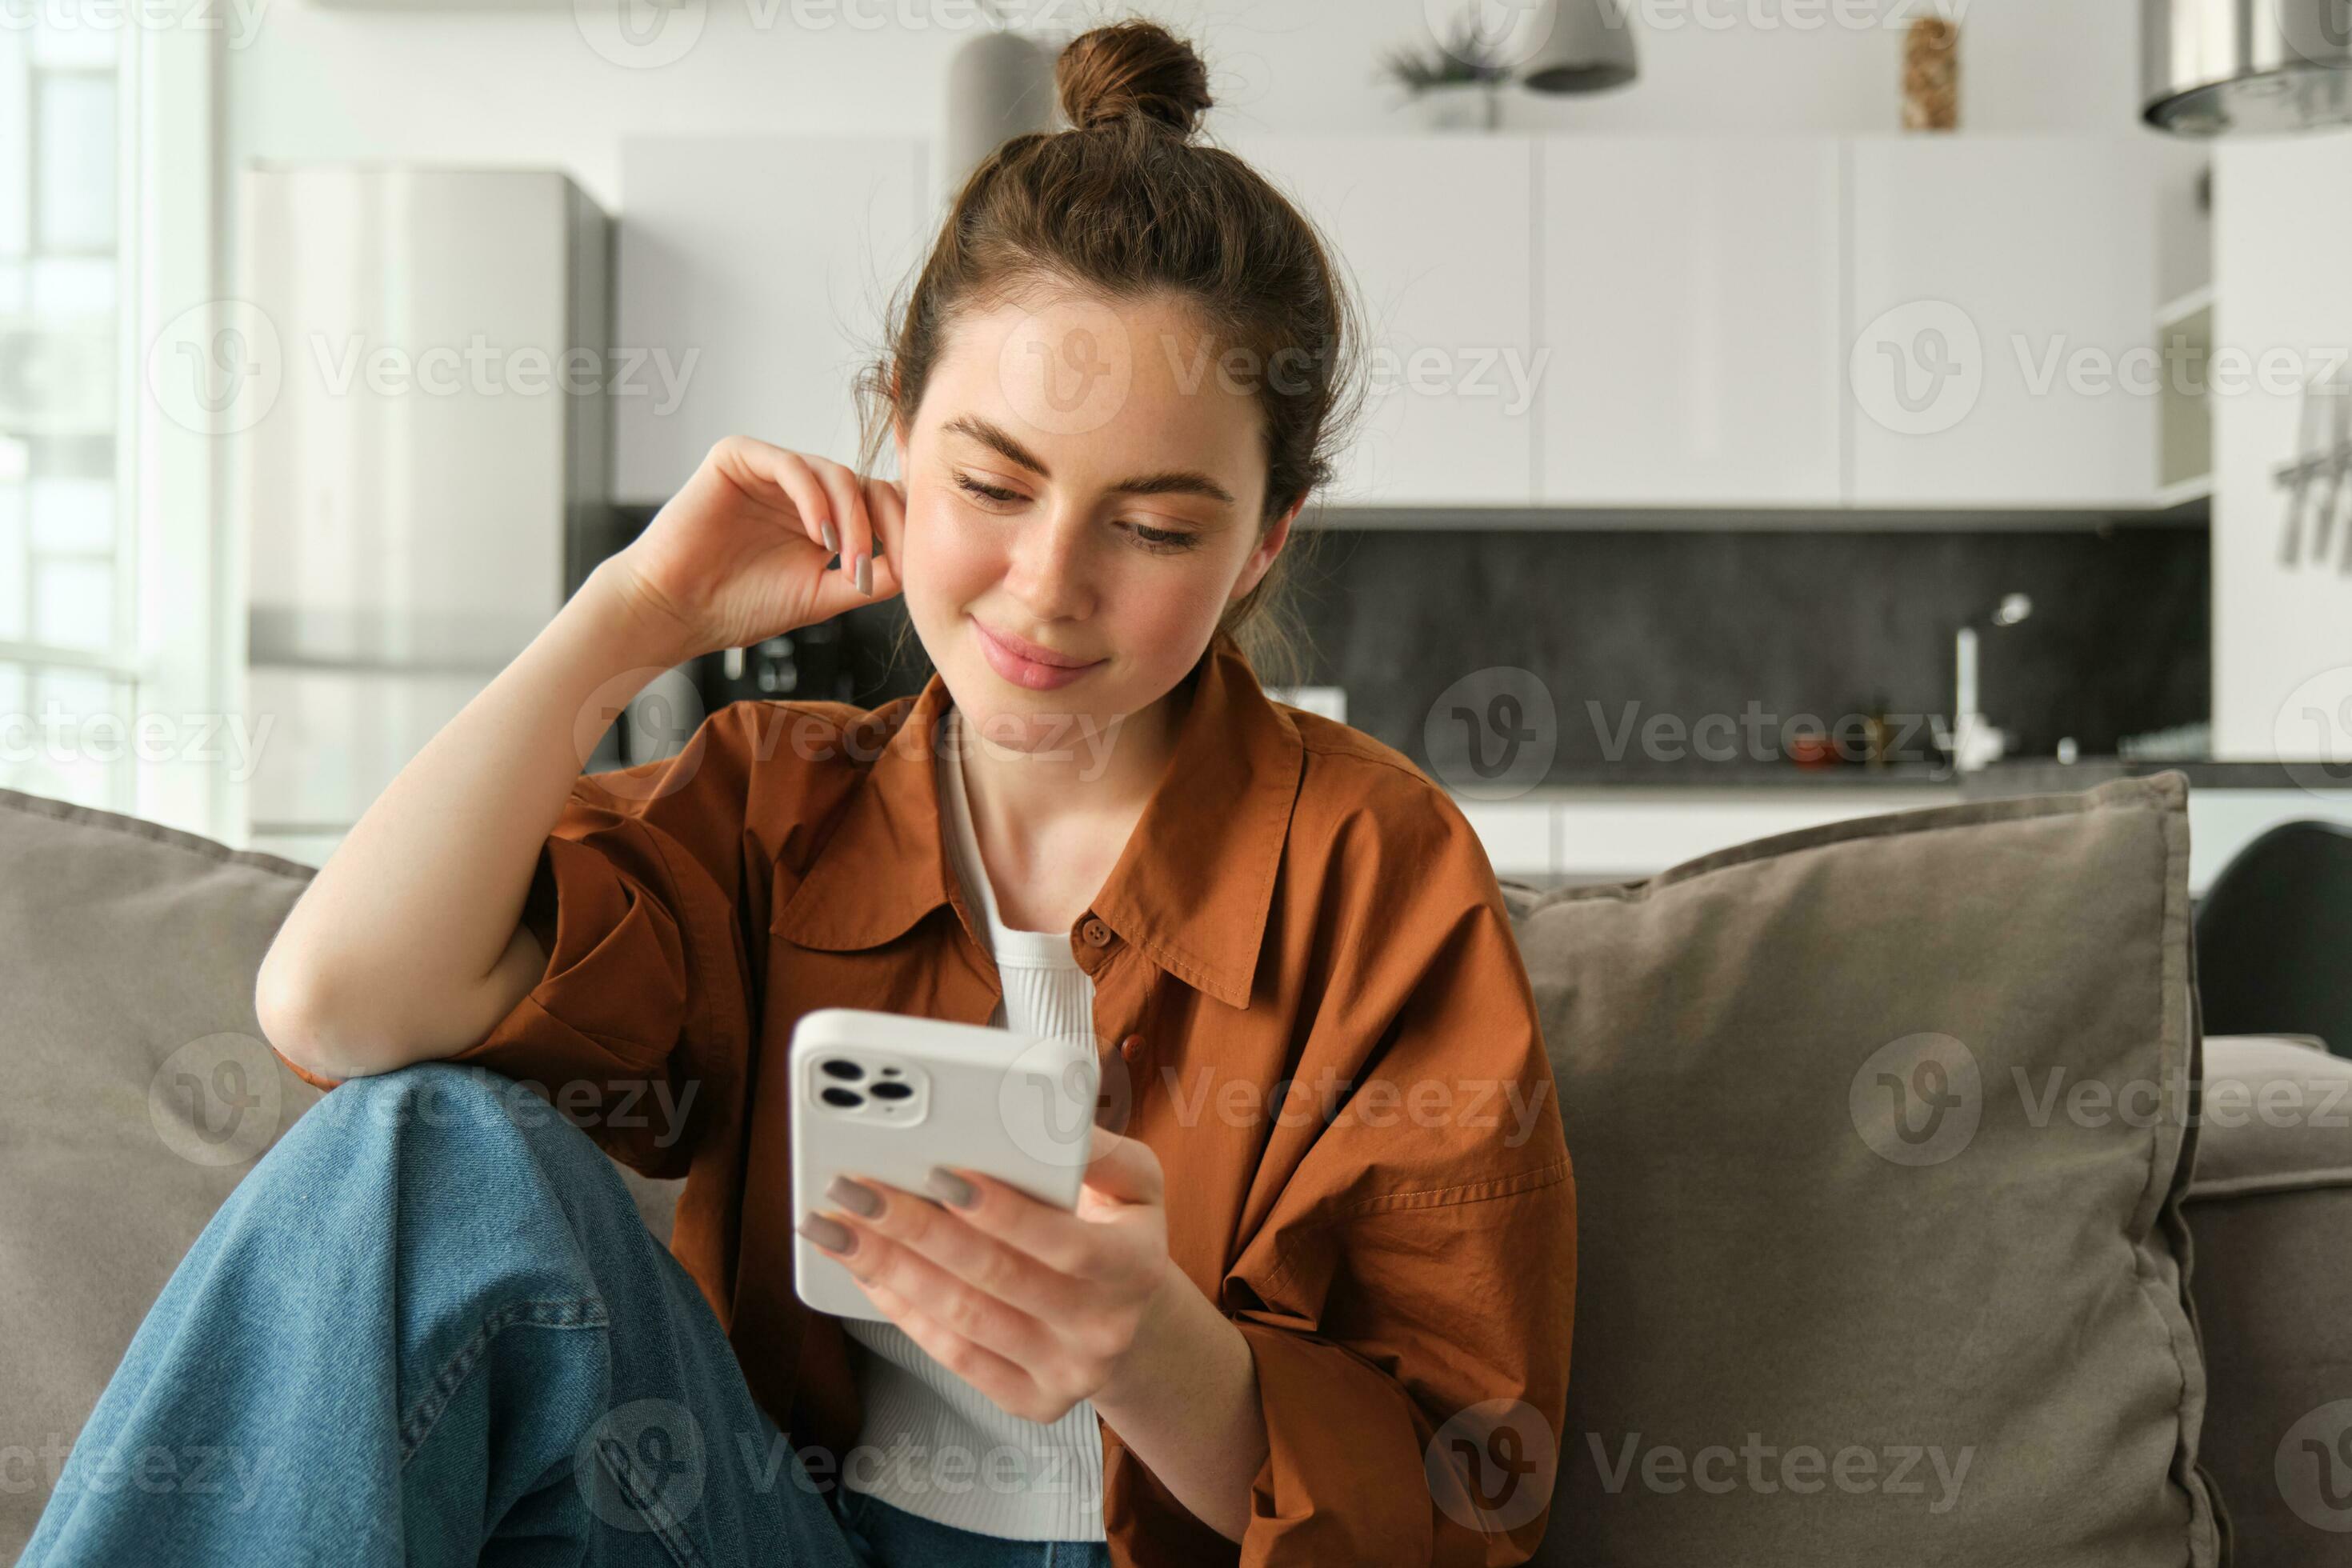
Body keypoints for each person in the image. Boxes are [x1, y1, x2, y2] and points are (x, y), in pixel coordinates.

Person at [23, 18, 1574, 1568]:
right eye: (991, 483)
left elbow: (1470, 1493)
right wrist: (628, 614)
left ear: (1265, 544)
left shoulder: (1375, 864)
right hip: (769, 1536)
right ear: (896, 433)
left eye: (1157, 528)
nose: (1048, 589)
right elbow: (336, 1005)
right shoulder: (778, 807)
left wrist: (1154, 1347)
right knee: (423, 1140)